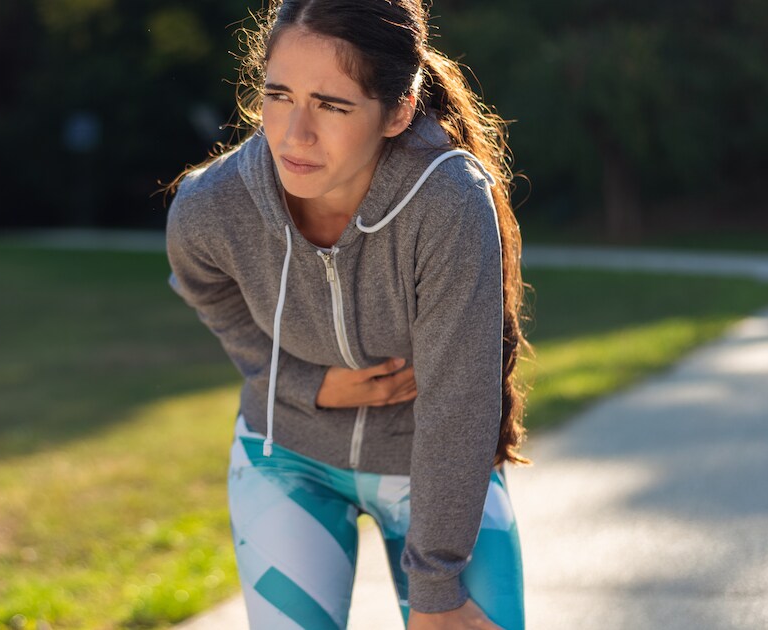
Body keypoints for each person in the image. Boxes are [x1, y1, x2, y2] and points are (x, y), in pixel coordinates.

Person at [164, 0, 530, 627]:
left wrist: (437, 587)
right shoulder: (214, 204)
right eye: (279, 95)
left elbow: (460, 402)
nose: (294, 134)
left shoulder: (446, 202)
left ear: (398, 111)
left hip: (426, 464)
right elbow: (205, 288)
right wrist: (302, 383)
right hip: (285, 455)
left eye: (332, 105)